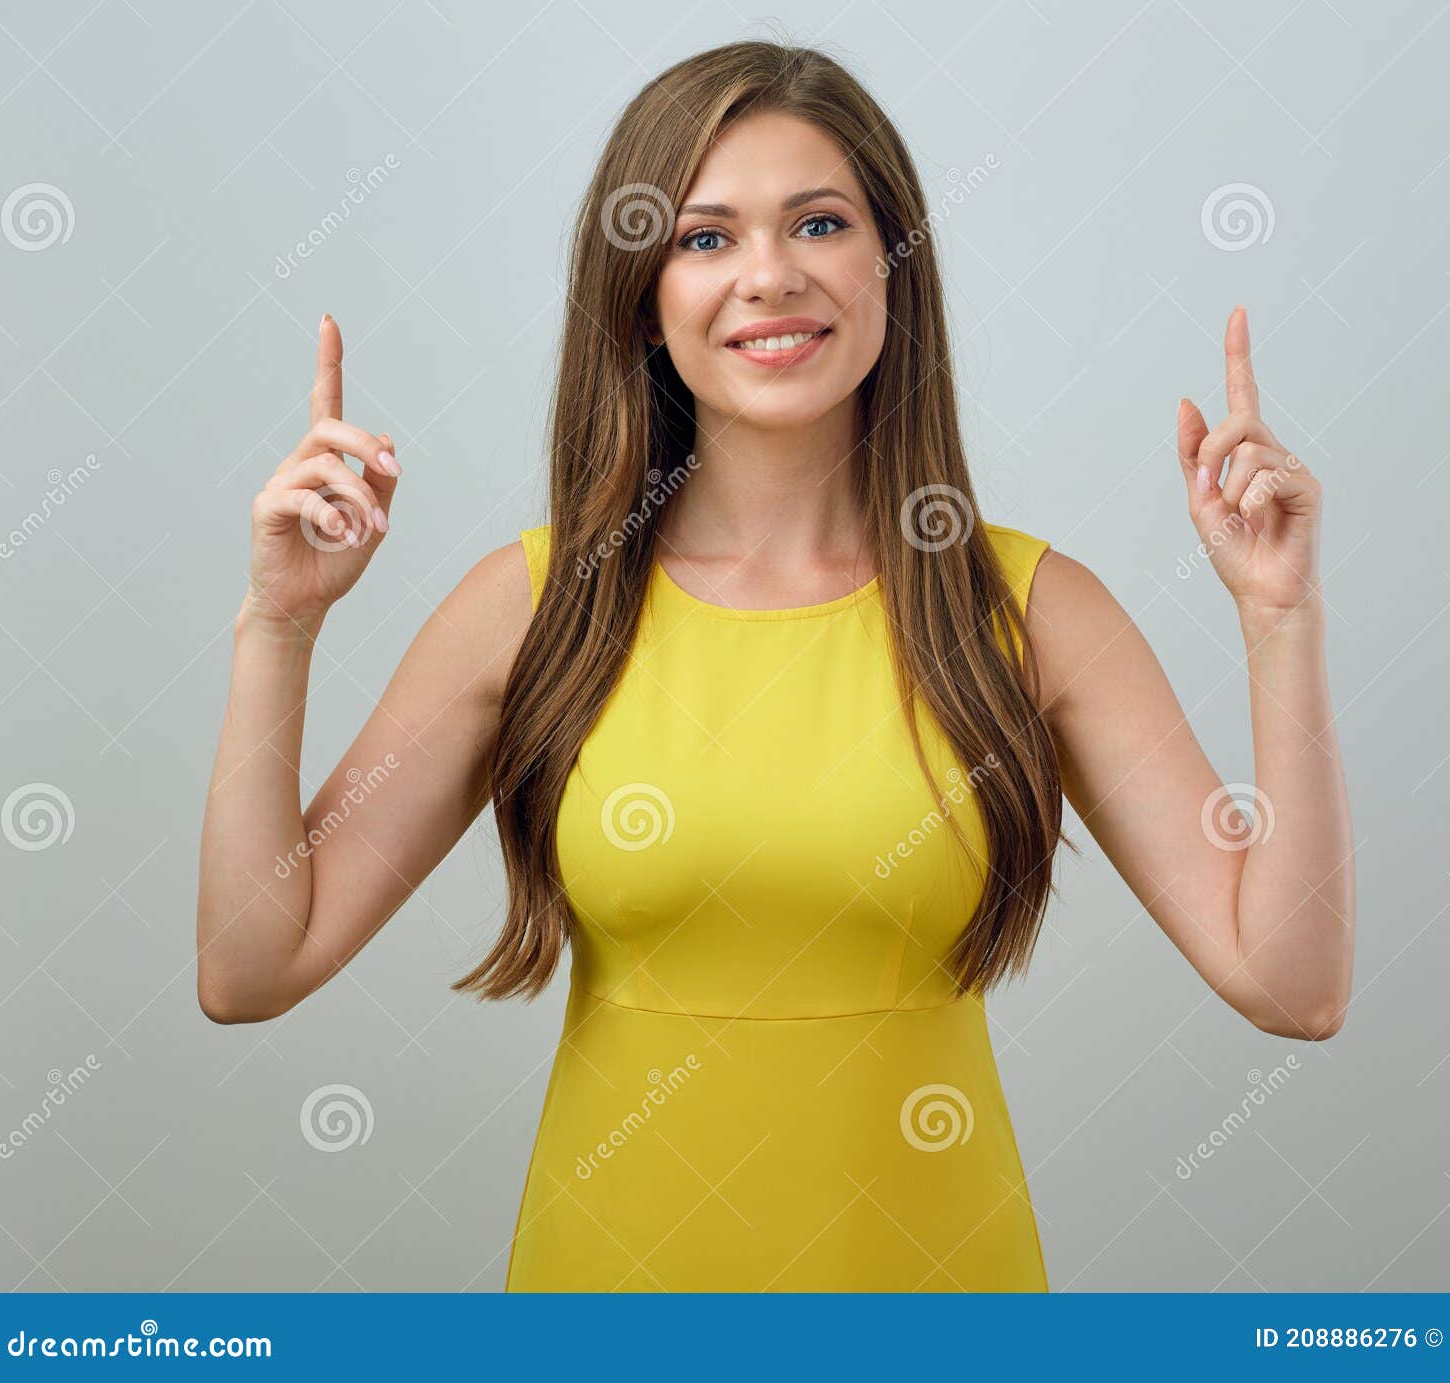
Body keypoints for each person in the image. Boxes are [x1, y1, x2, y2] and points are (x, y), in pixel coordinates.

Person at [197, 40, 1354, 1292]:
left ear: (890, 269)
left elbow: (1291, 987)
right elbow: (252, 968)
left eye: (819, 222)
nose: (768, 276)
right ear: (641, 293)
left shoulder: (1029, 612)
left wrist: (1279, 622)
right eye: (703, 238)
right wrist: (280, 627)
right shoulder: (533, 608)